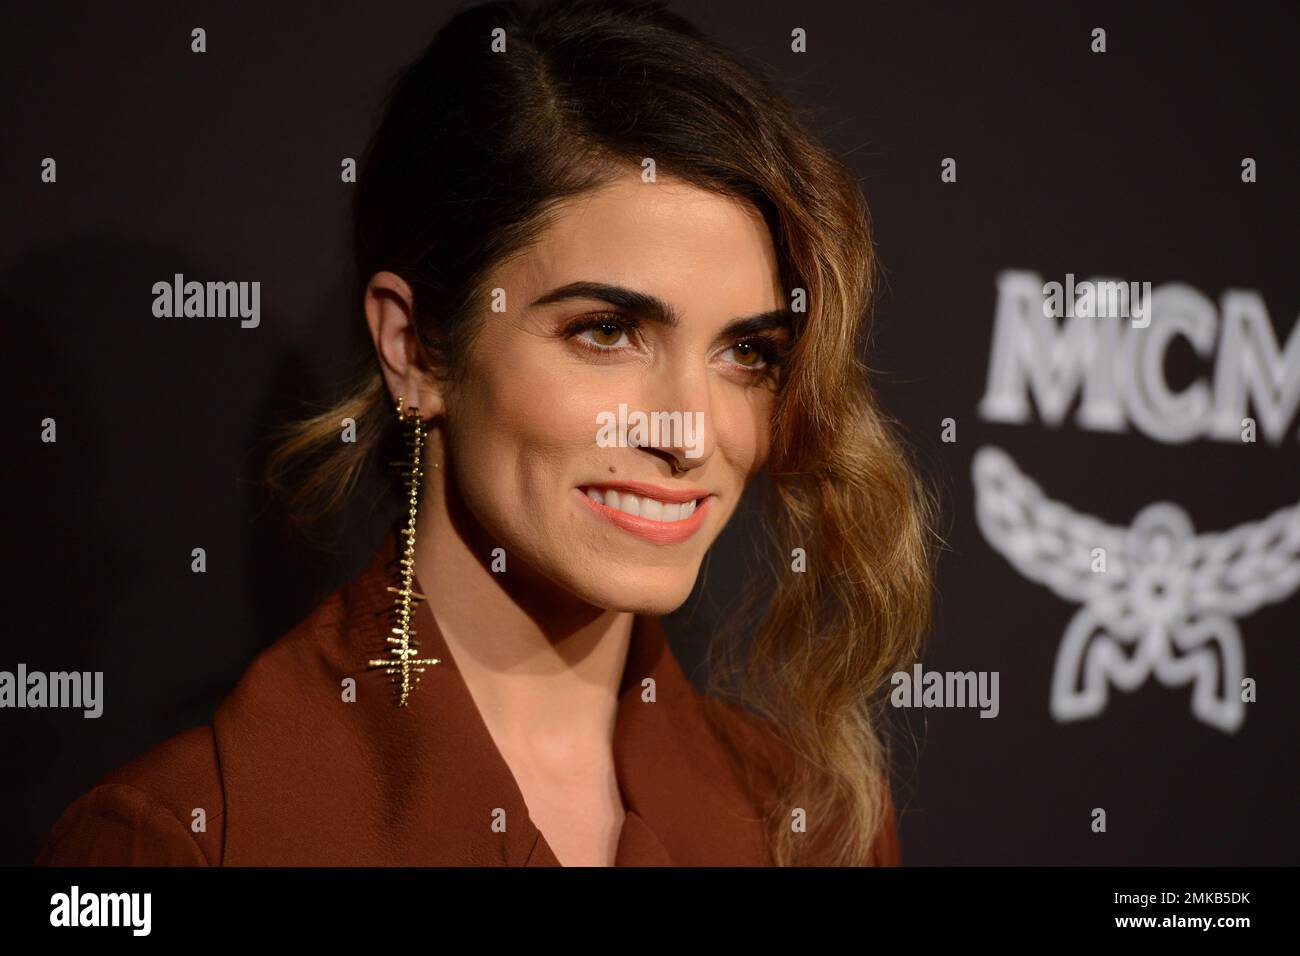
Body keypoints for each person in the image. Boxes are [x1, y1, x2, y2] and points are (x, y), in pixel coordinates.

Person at [37, 0, 938, 867]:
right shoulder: (187, 838)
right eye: (607, 332)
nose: (691, 433)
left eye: (747, 352)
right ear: (416, 349)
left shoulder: (818, 827)